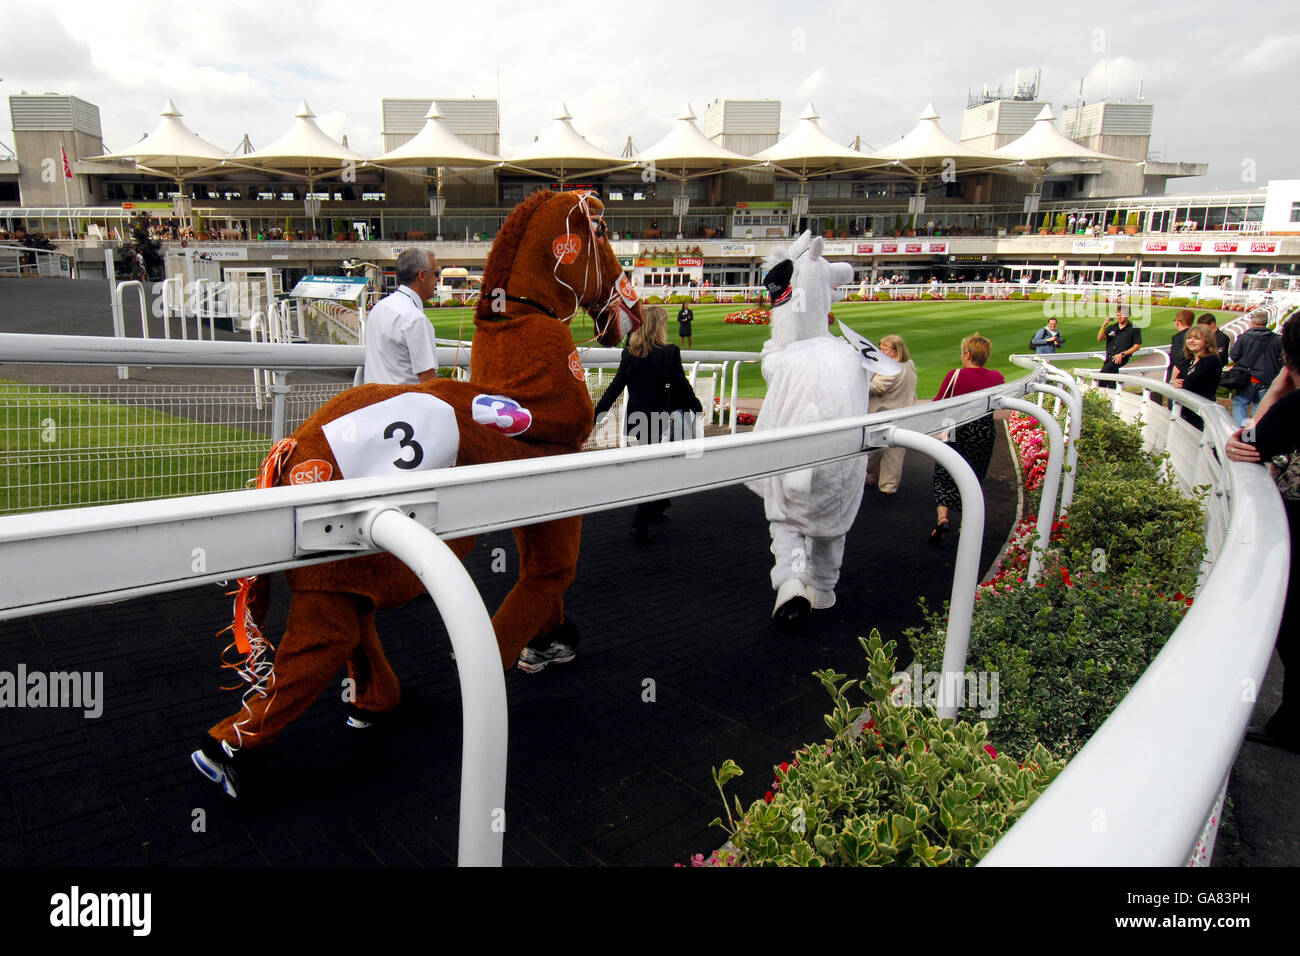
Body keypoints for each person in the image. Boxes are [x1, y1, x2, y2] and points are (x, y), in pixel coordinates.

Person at [1226, 313, 1300, 754]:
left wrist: (1275, 390)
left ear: (1287, 357)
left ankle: (1290, 727)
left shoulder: (1295, 405)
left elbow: (1250, 439)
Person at [593, 305, 702, 543]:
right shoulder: (669, 352)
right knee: (658, 469)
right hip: (662, 419)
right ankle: (641, 520)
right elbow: (681, 384)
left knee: (654, 466)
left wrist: (598, 413)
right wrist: (697, 407)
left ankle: (659, 504)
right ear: (658, 326)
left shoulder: (630, 354)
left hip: (638, 420)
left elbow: (616, 387)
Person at [929, 334, 1006, 546]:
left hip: (955, 428)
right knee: (974, 476)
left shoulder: (955, 375)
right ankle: (966, 524)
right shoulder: (997, 377)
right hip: (983, 430)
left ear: (968, 355)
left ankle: (943, 518)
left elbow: (938, 402)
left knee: (944, 473)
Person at [363, 248, 439, 385]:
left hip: (373, 402)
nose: (438, 279)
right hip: (405, 403)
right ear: (422, 275)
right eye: (436, 273)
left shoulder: (378, 308)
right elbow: (428, 381)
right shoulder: (415, 319)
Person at [866, 335, 918, 494]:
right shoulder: (909, 363)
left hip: (885, 413)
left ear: (896, 351)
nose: (880, 351)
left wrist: (863, 379)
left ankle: (885, 484)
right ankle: (886, 483)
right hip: (902, 411)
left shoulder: (891, 367)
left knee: (877, 449)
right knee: (893, 451)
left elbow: (877, 387)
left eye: (884, 349)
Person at [1228, 312, 1285, 425]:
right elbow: (1283, 360)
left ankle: (1242, 431)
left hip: (1246, 378)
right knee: (1259, 407)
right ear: (1266, 322)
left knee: (1240, 404)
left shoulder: (1244, 337)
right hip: (1267, 379)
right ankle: (1252, 435)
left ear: (1252, 322)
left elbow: (1234, 356)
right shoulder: (1277, 339)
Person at [1171, 324, 1223, 431]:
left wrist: (1180, 382)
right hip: (1188, 410)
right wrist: (1176, 382)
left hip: (1200, 412)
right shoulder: (1190, 360)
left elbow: (1189, 383)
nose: (1191, 341)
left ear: (1207, 342)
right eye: (1189, 338)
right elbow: (1180, 379)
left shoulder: (1210, 361)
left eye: (1197, 338)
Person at [1097, 305, 1142, 388]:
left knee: (1103, 374)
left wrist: (1123, 354)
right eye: (1118, 315)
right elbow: (1100, 338)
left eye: (1121, 315)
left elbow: (1137, 346)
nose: (1119, 317)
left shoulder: (1134, 328)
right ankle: (1112, 394)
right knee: (1112, 376)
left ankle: (1100, 393)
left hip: (1121, 357)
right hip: (1109, 357)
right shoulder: (1112, 327)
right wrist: (1104, 325)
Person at [1166, 309, 1194, 409]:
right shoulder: (1193, 335)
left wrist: (1172, 379)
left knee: (1175, 409)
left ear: (1178, 322)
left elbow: (1179, 360)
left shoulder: (1179, 338)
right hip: (1189, 377)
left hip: (1178, 379)